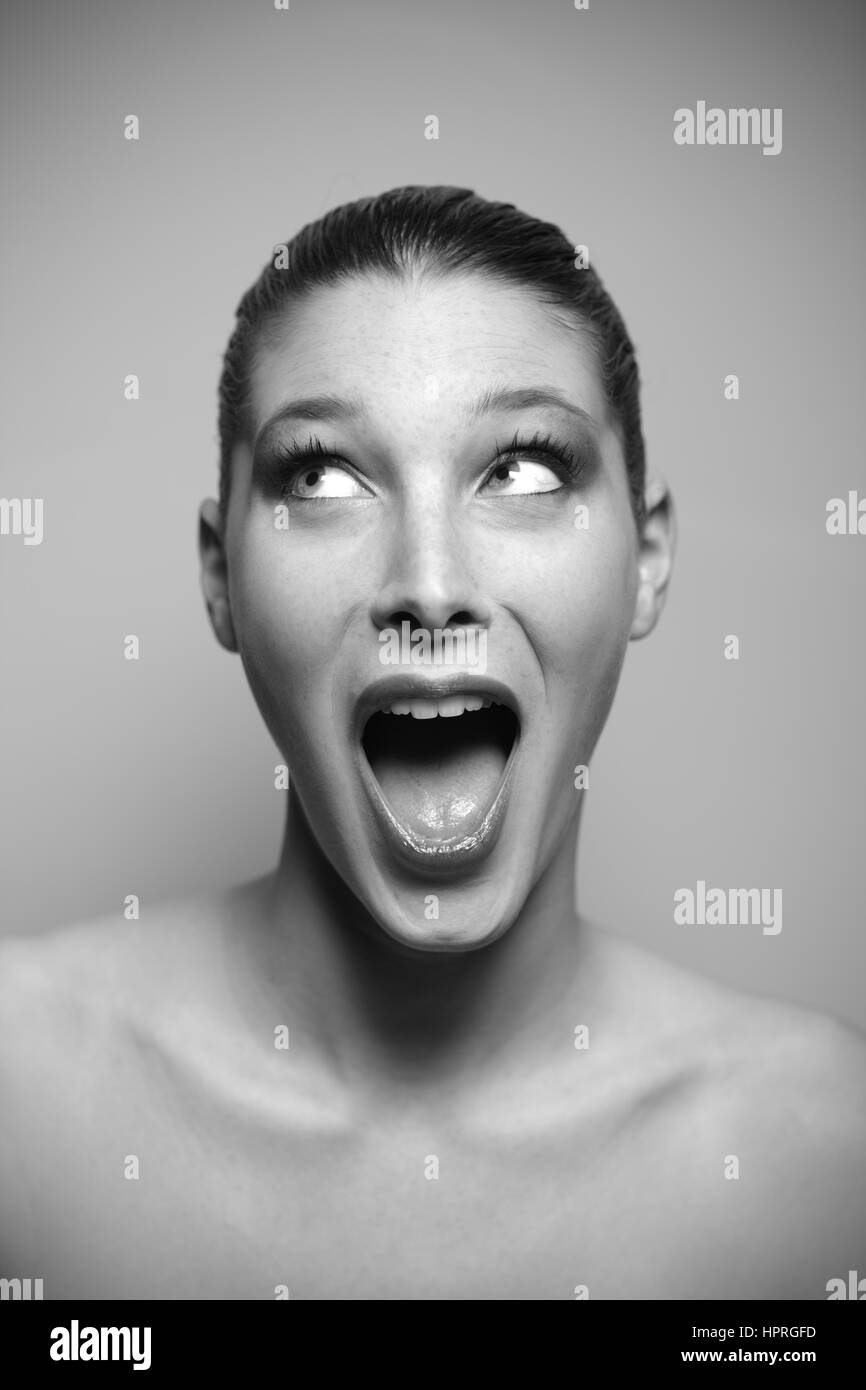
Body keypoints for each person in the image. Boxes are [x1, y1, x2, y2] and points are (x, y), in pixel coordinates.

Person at [1, 186, 863, 1300]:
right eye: (320, 476)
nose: (430, 586)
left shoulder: (826, 1161)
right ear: (219, 575)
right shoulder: (19, 1101)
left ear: (645, 556)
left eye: (522, 469)